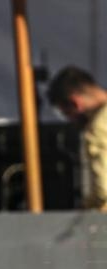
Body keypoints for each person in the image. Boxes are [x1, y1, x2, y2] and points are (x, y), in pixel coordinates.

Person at [48, 66, 107, 212]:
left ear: (76, 103)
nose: (72, 121)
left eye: (68, 114)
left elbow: (104, 188)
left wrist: (87, 209)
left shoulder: (99, 127)